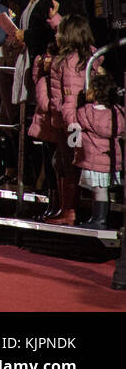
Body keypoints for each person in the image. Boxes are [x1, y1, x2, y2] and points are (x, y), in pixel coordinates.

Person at [27, 13, 93, 225]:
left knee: (68, 164)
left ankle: (70, 210)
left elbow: (71, 93)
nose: (56, 36)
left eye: (60, 32)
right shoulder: (75, 57)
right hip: (64, 120)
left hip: (70, 122)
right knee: (61, 162)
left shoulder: (70, 61)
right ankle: (65, 207)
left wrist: (59, 112)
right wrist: (56, 18)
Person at [71, 69, 124, 229]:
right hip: (109, 157)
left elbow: (73, 134)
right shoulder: (118, 114)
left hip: (92, 158)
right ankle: (98, 217)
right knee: (103, 190)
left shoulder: (85, 112)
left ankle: (99, 219)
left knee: (98, 191)